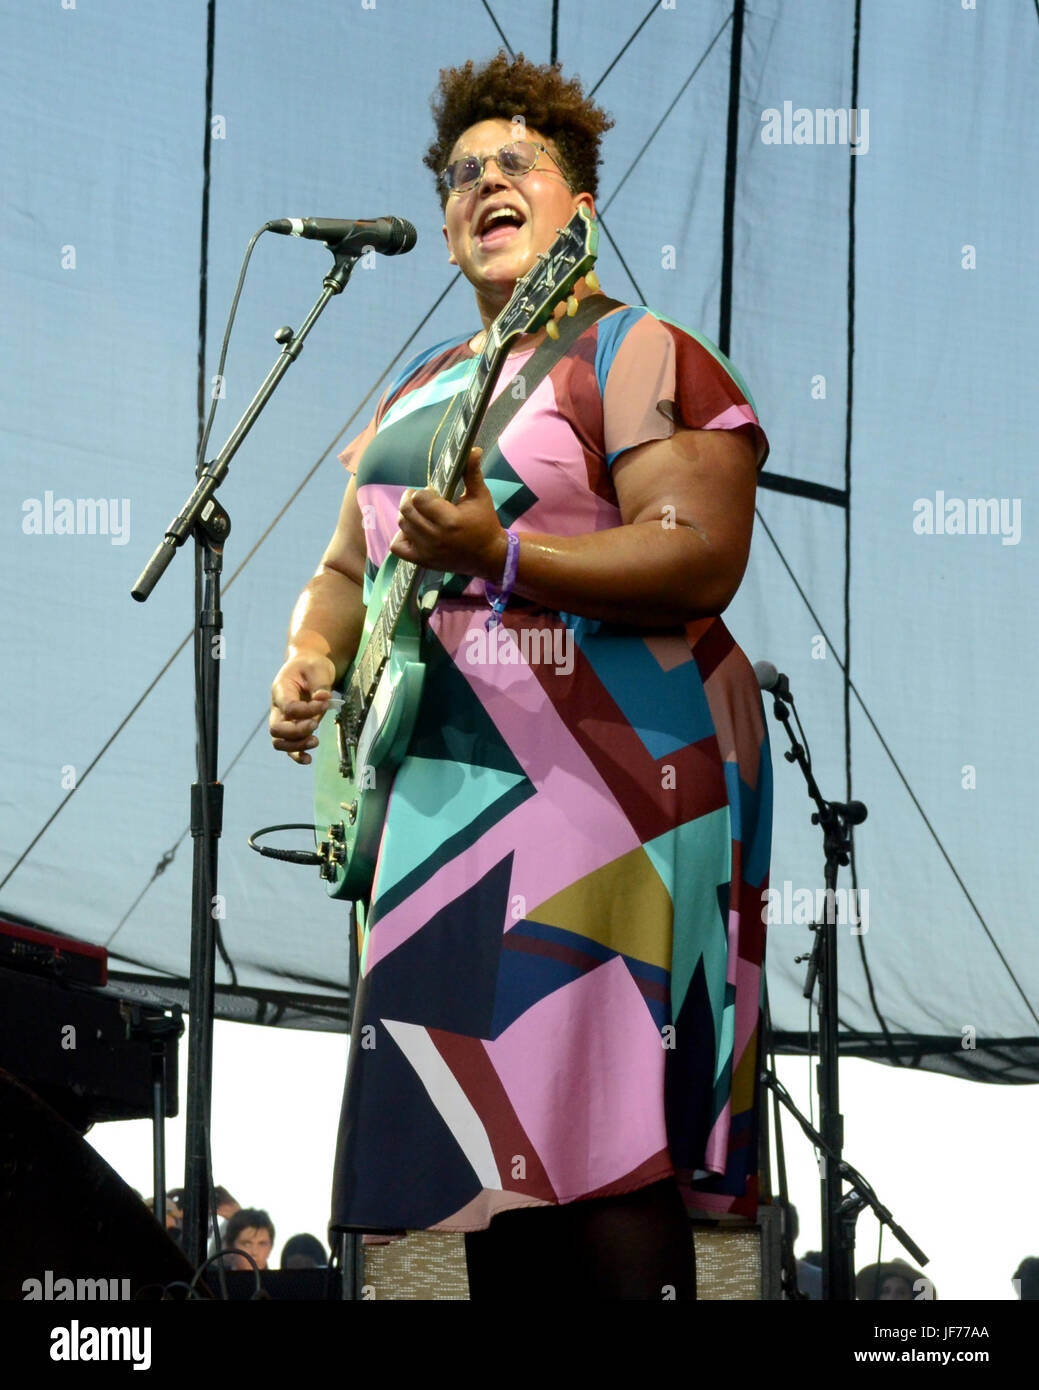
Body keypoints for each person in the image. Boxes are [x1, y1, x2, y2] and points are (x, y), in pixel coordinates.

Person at [269, 50, 772, 1301]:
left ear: (578, 206)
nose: (483, 183)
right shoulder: (423, 390)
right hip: (443, 805)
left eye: (517, 165)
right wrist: (310, 655)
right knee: (486, 1150)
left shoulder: (633, 349)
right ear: (445, 227)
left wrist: (504, 552)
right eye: (460, 175)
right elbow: (346, 566)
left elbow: (696, 552)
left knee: (600, 1134)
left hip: (602, 781)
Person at [221, 1208, 275, 1272]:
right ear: (230, 1247)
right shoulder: (215, 1279)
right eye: (247, 1244)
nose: (255, 1252)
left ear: (270, 1248)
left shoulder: (279, 1281)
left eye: (262, 1244)